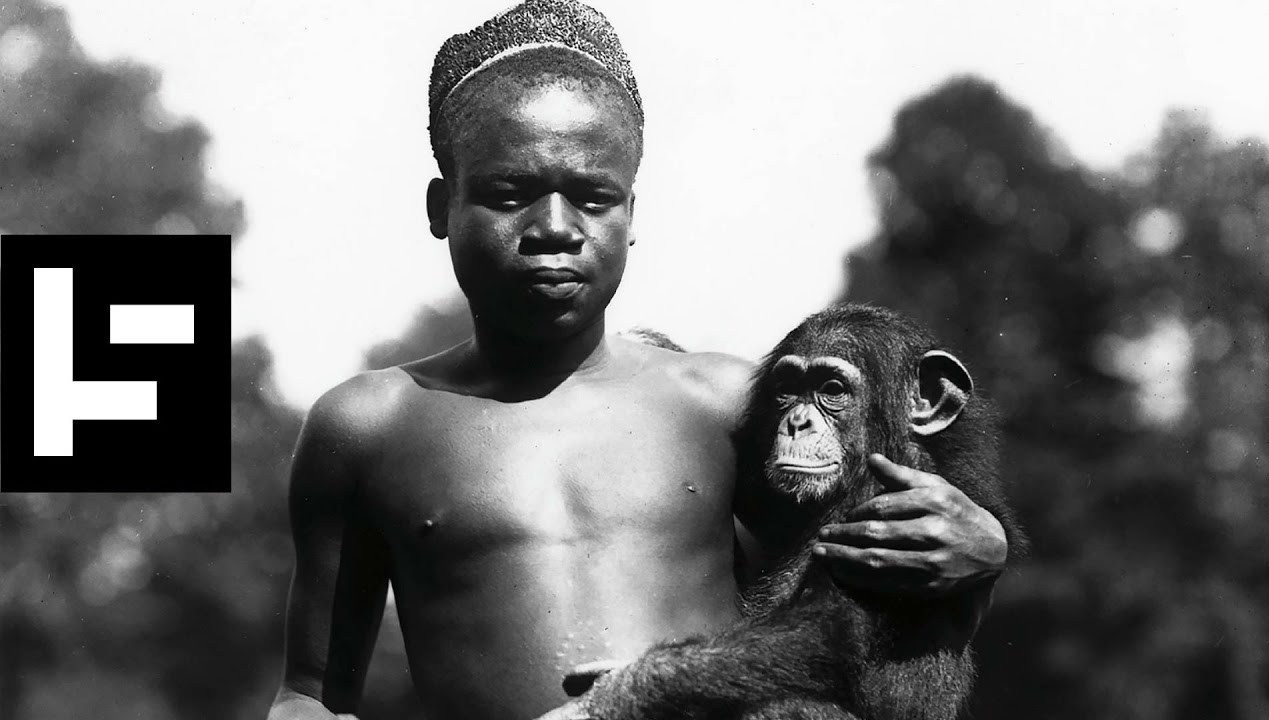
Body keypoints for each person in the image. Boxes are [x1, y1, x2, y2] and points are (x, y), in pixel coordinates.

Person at [266, 2, 1009, 718]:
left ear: (632, 214)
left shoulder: (722, 401)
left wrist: (984, 546)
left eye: (592, 197)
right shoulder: (369, 426)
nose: (553, 227)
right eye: (508, 194)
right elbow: (314, 694)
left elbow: (871, 607)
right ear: (441, 207)